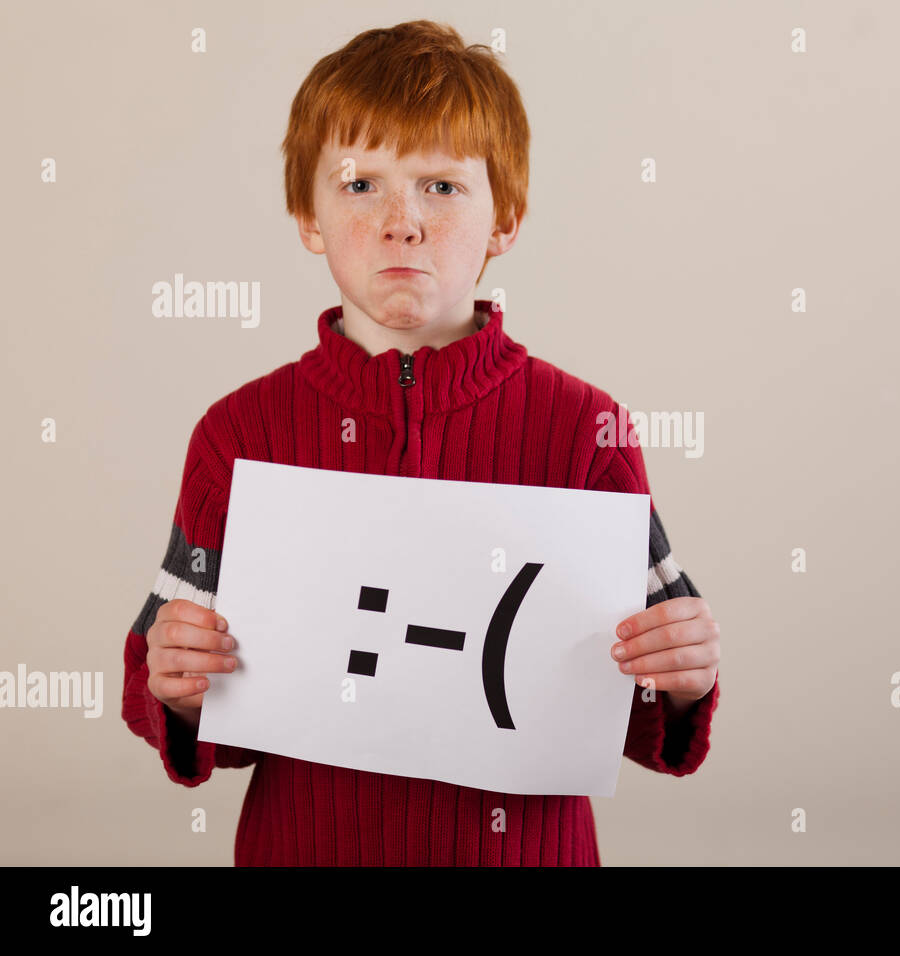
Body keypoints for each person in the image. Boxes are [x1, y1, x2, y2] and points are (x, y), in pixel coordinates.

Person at [120, 19, 721, 866]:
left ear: (504, 220)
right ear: (308, 217)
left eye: (441, 187)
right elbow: (163, 681)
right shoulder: (237, 437)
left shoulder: (587, 431)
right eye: (361, 184)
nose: (401, 221)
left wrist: (681, 675)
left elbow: (641, 704)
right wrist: (176, 686)